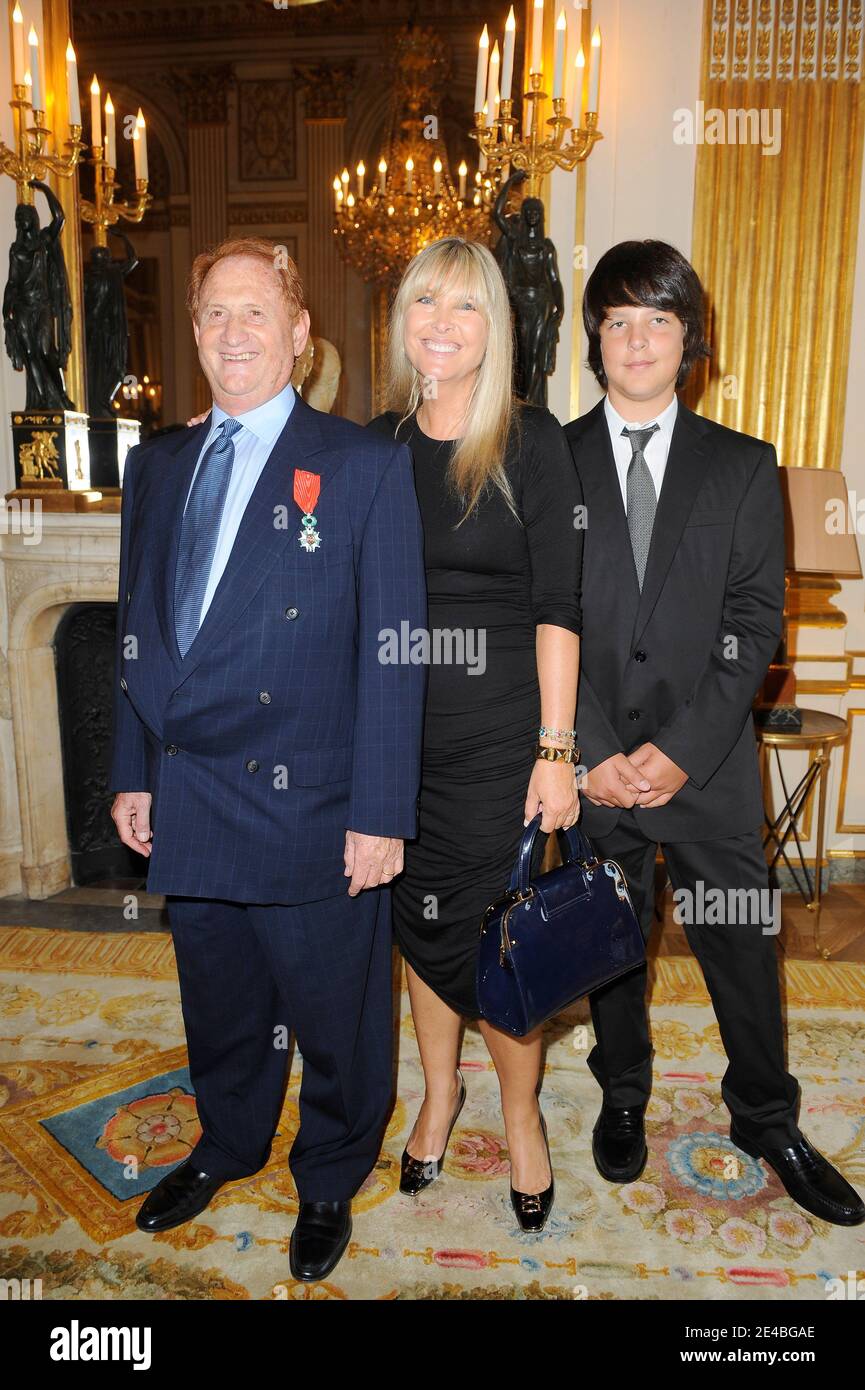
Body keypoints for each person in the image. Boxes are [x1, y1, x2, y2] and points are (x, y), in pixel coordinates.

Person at [109, 236, 427, 1281]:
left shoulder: (363, 464)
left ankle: (329, 1172)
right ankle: (229, 1141)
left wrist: (380, 811)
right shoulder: (154, 465)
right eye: (212, 314)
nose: (232, 332)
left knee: (335, 1013)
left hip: (314, 800)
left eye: (256, 313)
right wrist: (131, 769)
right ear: (193, 333)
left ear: (299, 334)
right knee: (222, 998)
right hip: (192, 787)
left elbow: (393, 650)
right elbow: (137, 636)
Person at [563, 239, 864, 1226]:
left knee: (741, 946)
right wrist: (593, 749)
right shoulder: (550, 459)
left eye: (657, 319)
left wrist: (681, 747)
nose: (637, 339)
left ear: (689, 338)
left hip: (707, 769)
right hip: (597, 767)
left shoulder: (742, 466)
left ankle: (764, 1115)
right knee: (608, 946)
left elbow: (753, 624)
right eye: (618, 321)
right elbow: (541, 617)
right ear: (595, 338)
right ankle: (621, 1089)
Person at [366, 236, 583, 1232]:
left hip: (500, 740)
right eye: (425, 304)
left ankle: (522, 1114)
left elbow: (558, 606)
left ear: (495, 326)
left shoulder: (531, 443)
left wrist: (553, 749)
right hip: (398, 737)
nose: (442, 325)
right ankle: (439, 1092)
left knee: (496, 939)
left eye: (465, 307)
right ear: (402, 320)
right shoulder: (375, 445)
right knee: (419, 925)